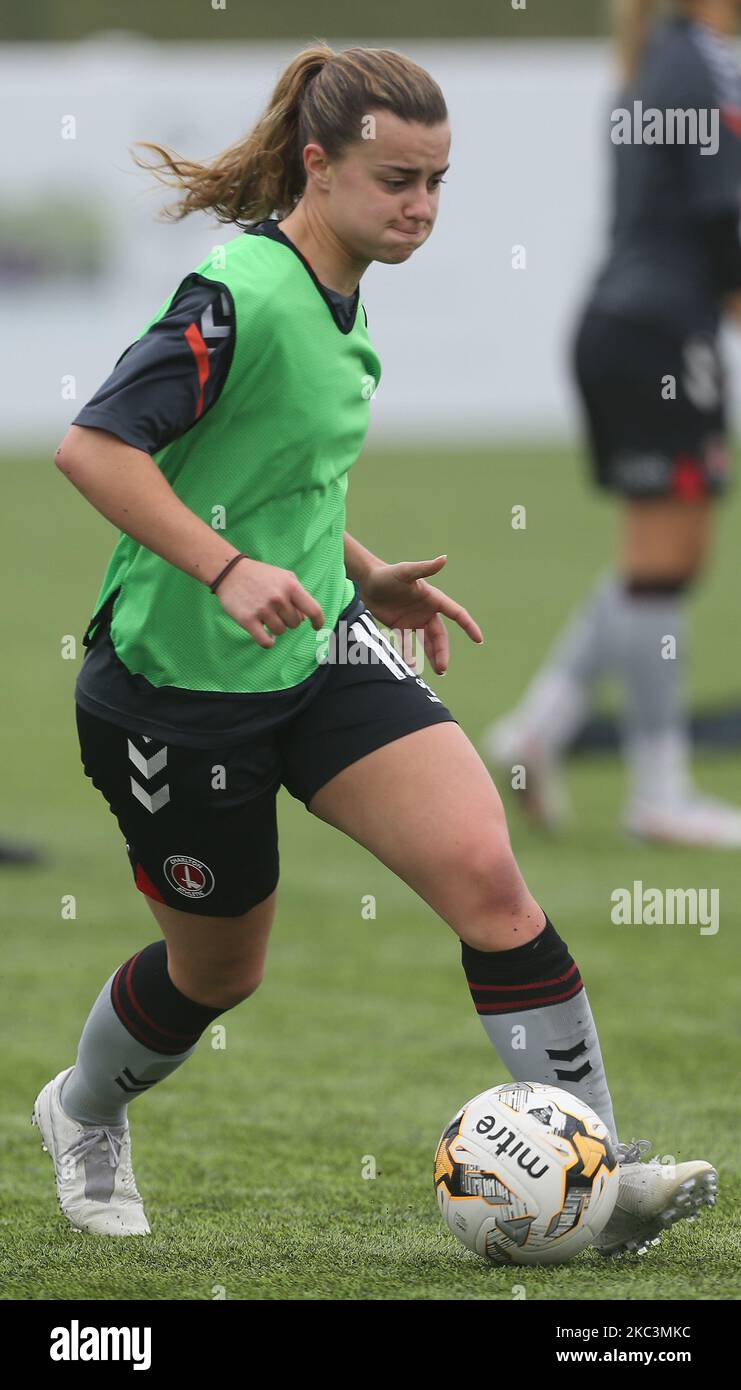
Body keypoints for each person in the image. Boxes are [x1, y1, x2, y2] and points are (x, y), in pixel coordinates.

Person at [35, 42, 714, 1257]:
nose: (422, 208)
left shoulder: (346, 294)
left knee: (488, 879)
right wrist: (228, 569)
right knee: (219, 974)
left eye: (439, 182)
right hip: (173, 695)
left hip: (317, 649)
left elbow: (276, 475)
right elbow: (95, 449)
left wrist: (362, 571)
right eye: (397, 179)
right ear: (318, 165)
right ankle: (83, 1111)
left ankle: (599, 1172)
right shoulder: (236, 293)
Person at [482, 0, 741, 846]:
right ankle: (658, 791)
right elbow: (720, 220)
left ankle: (540, 727)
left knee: (658, 559)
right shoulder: (689, 61)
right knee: (662, 566)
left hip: (640, 328)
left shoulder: (674, 60)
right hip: (654, 335)